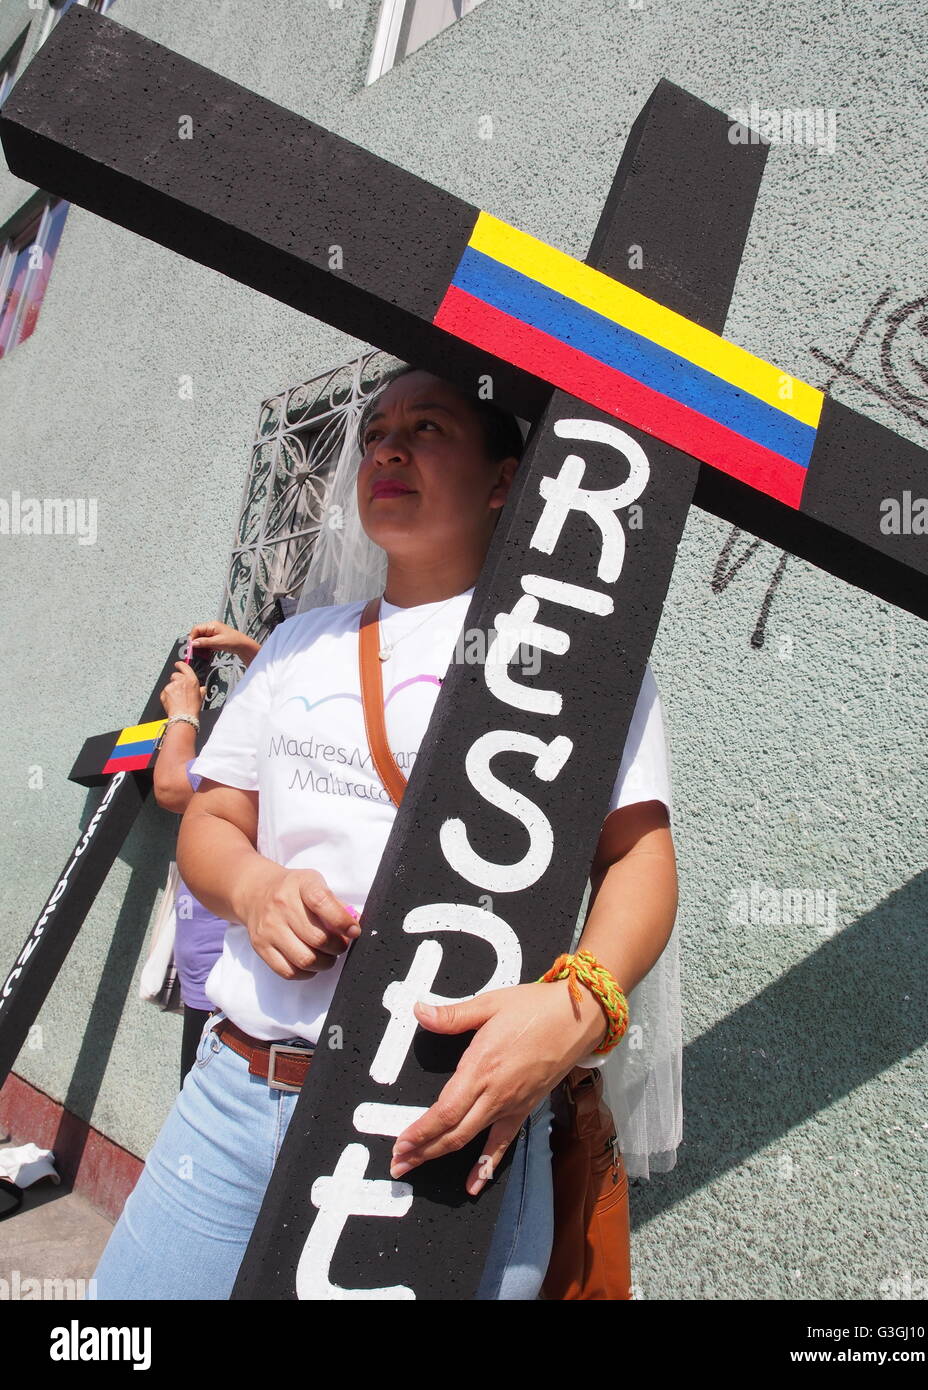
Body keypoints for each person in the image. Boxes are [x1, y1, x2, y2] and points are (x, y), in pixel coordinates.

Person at [90, 364, 679, 1300]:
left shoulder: (578, 662)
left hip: (440, 1122)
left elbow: (638, 858)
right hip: (238, 1096)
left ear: (502, 480)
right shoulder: (296, 644)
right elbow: (210, 817)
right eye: (373, 435)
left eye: (429, 428)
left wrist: (573, 1012)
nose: (386, 450)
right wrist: (251, 888)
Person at [152, 623, 262, 1084]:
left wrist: (183, 713)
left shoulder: (257, 759)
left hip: (229, 975)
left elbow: (172, 786)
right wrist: (251, 650)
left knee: (204, 1091)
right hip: (227, 967)